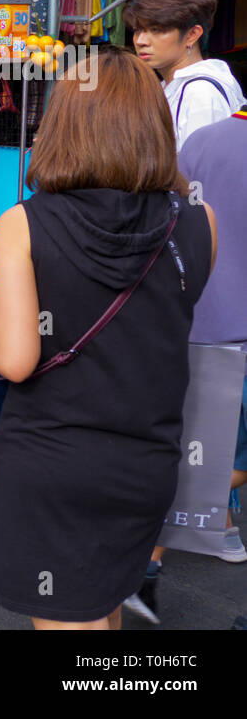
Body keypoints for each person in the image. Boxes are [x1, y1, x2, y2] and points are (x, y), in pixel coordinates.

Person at [0, 47, 214, 630]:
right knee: (105, 602)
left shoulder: (24, 223)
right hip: (148, 459)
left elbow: (17, 359)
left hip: (54, 461)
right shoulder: (198, 219)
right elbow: (170, 313)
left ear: (65, 123)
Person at [124, 105, 247, 624]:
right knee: (219, 456)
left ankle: (147, 561)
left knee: (204, 449)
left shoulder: (201, 141)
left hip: (200, 320)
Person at [123, 0, 245, 150]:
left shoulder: (200, 93)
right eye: (137, 30)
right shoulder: (171, 85)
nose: (141, 41)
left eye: (156, 30)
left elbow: (201, 171)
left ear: (192, 35)